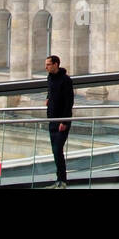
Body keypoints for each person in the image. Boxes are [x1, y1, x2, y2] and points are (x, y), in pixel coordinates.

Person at [45, 54, 74, 189]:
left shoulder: (66, 80)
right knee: (55, 151)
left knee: (58, 150)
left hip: (62, 122)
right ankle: (59, 180)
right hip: (52, 119)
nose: (46, 67)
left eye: (48, 64)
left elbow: (69, 102)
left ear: (56, 64)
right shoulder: (50, 78)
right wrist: (48, 98)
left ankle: (62, 181)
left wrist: (64, 121)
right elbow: (50, 92)